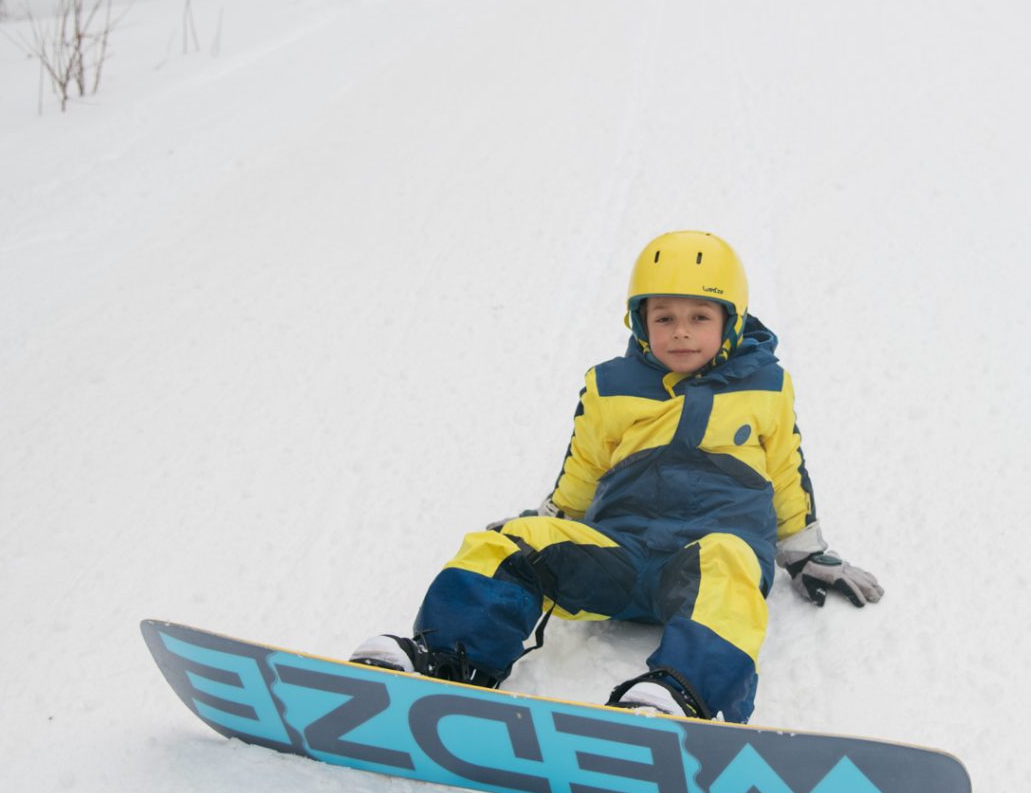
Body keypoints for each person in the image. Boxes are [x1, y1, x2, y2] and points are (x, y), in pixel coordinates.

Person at [351, 231, 882, 723]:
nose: (680, 332)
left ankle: (683, 694)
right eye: (663, 317)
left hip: (707, 555)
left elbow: (788, 470)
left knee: (731, 560)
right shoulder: (610, 384)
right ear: (638, 320)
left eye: (700, 317)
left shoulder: (768, 386)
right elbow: (583, 465)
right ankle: (448, 658)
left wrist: (805, 552)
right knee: (514, 540)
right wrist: (547, 521)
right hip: (622, 552)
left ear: (732, 321)